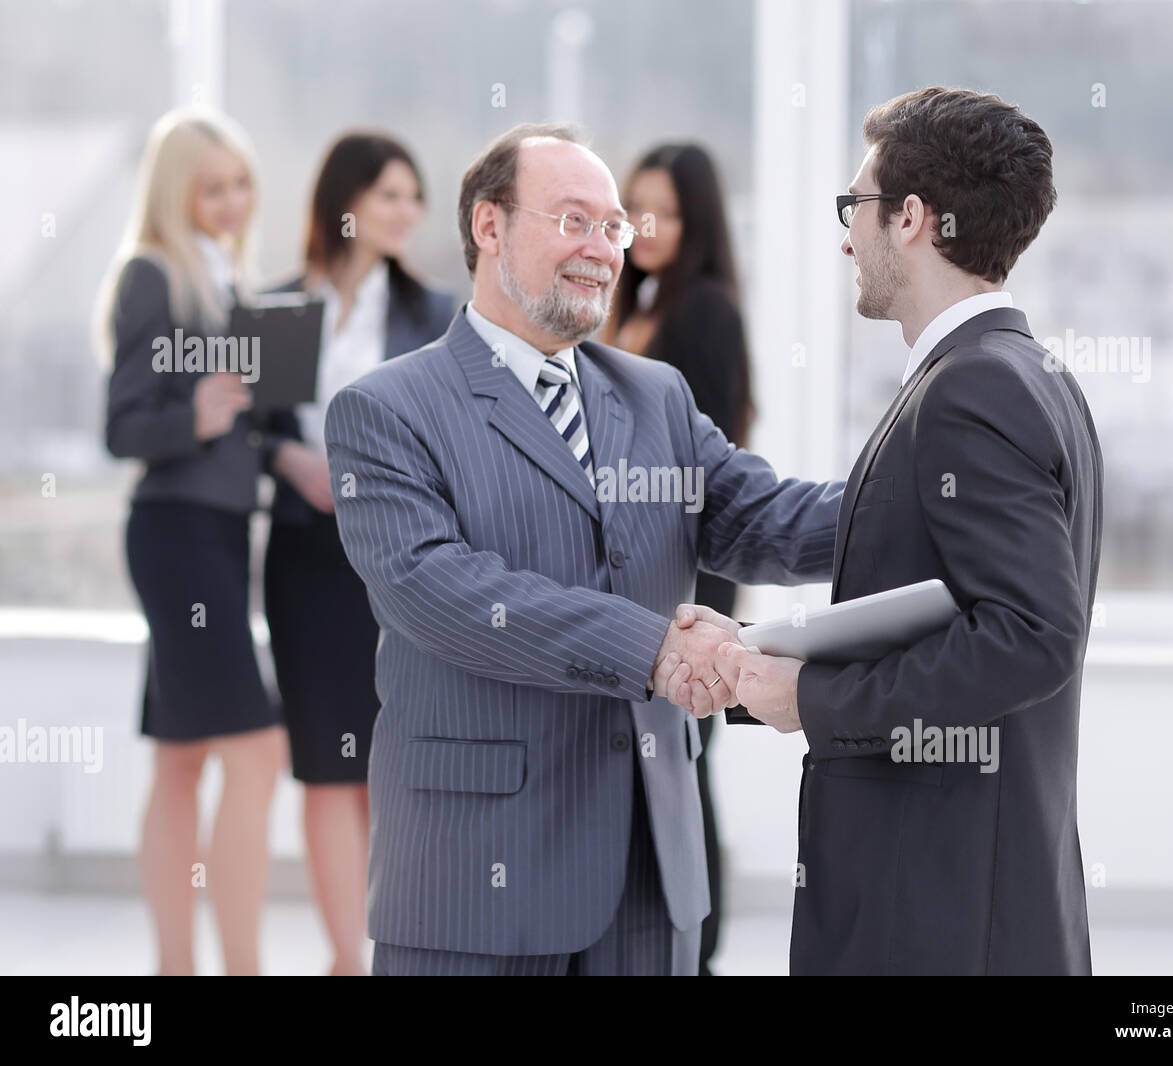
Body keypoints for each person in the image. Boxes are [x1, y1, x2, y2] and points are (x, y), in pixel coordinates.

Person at [322, 122, 845, 976]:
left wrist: (921, 488)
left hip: (649, 875)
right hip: (473, 884)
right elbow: (443, 593)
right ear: (489, 227)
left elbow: (763, 519)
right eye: (573, 220)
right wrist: (654, 649)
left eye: (614, 227)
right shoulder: (387, 410)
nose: (604, 249)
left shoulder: (655, 395)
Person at [708, 87, 1104, 975]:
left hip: (942, 914)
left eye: (857, 208)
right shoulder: (1026, 373)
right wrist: (754, 657)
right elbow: (940, 603)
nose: (847, 236)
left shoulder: (974, 389)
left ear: (913, 219)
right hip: (960, 896)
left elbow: (1030, 638)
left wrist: (810, 700)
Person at [260, 132, 456, 976]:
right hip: (306, 562)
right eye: (389, 196)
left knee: (390, 761)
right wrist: (288, 460)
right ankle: (346, 958)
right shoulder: (278, 308)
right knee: (324, 763)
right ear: (344, 203)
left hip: (395, 563)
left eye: (414, 197)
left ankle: (395, 949)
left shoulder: (433, 312)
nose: (407, 213)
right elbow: (253, 427)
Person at [96, 109, 286, 975]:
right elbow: (121, 426)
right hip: (175, 537)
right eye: (211, 188)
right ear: (176, 194)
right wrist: (195, 415)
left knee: (180, 761)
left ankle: (175, 969)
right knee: (257, 749)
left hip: (214, 530)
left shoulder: (234, 285)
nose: (230, 202)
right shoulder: (153, 276)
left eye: (239, 184)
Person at [605, 142, 755, 975]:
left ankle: (695, 952)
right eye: (637, 209)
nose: (646, 226)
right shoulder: (636, 305)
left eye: (664, 210)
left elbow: (699, 463)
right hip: (638, 570)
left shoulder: (702, 311)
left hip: (685, 571)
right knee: (654, 763)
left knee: (685, 765)